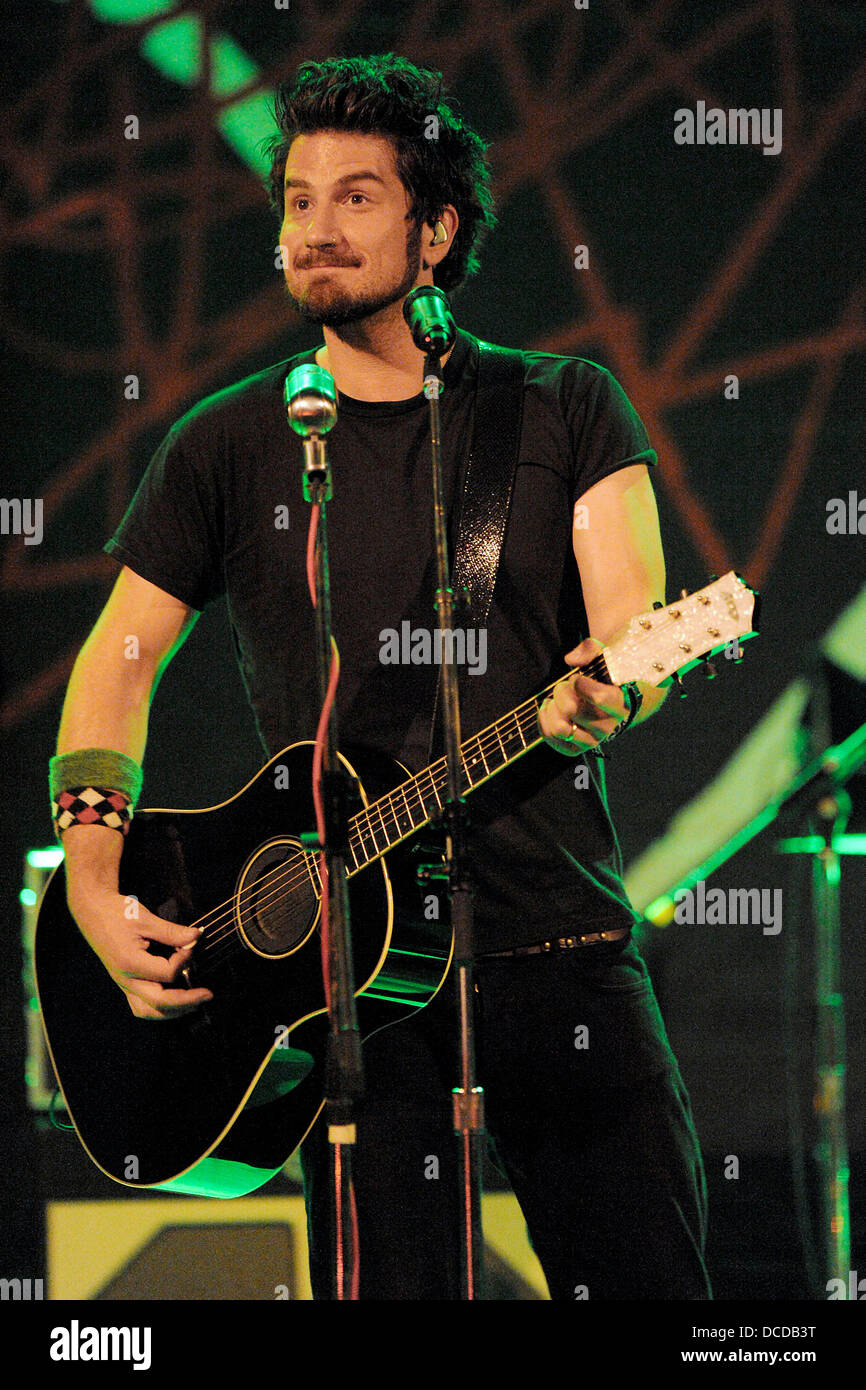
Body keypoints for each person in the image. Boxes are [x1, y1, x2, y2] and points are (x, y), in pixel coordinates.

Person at [51, 53, 710, 1300]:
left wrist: (615, 689)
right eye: (296, 200)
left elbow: (633, 635)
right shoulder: (231, 443)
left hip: (556, 950)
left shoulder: (563, 407)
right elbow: (116, 663)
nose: (316, 227)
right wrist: (92, 880)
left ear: (436, 226)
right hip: (342, 1000)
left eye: (356, 195)